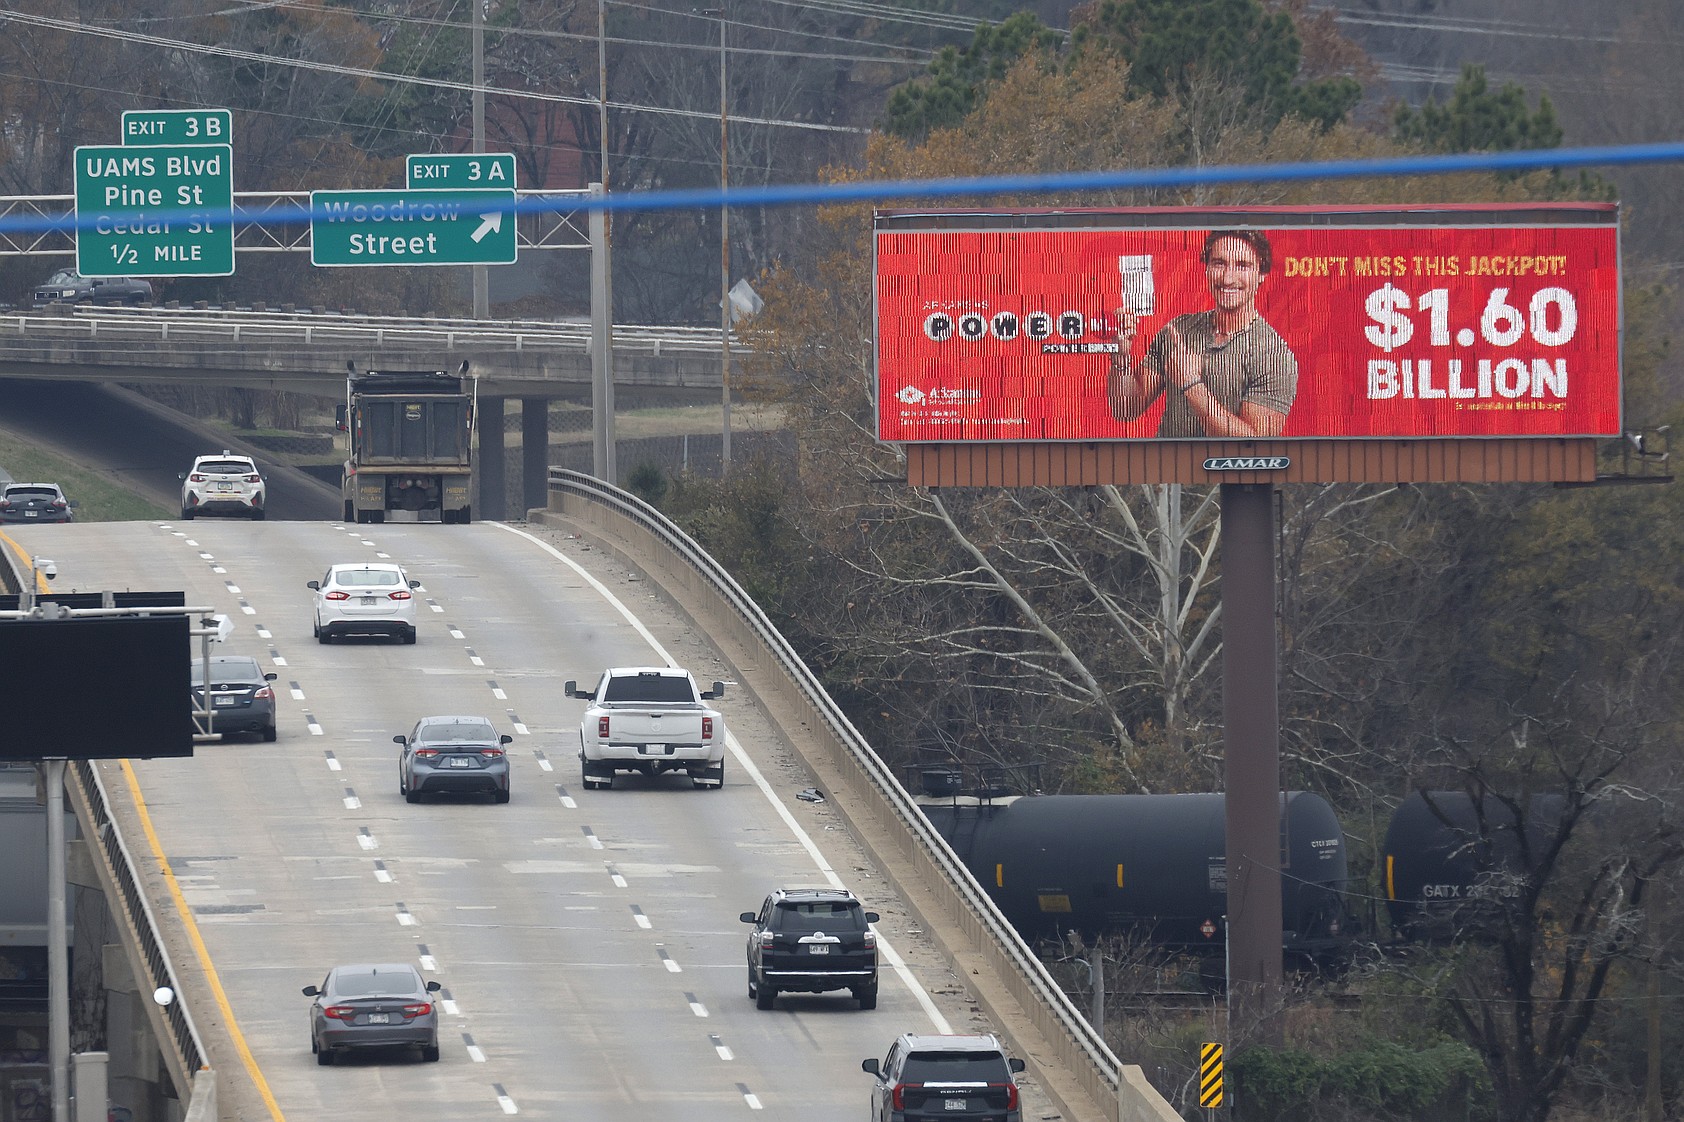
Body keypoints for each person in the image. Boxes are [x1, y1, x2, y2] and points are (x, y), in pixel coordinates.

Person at [1107, 229, 1298, 438]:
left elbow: (1253, 448)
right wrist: (1121, 357)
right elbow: (1125, 410)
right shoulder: (1178, 331)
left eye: (1242, 265)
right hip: (1169, 468)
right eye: (1219, 263)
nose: (1228, 278)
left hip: (1225, 471)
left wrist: (1192, 385)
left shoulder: (1274, 355)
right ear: (1206, 268)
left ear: (1261, 274)